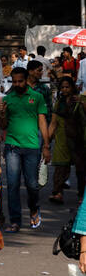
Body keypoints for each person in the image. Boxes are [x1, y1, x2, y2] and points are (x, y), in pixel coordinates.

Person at [0, 64, 51, 231]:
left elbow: (42, 121)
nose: (17, 84)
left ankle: (34, 208)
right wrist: (1, 113)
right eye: (14, 82)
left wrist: (46, 145)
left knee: (32, 185)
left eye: (20, 81)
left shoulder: (36, 97)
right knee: (12, 185)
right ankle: (15, 221)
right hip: (12, 147)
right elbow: (4, 125)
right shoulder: (6, 100)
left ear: (26, 80)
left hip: (32, 147)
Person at [48, 75, 86, 203]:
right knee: (60, 167)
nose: (65, 90)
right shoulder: (59, 103)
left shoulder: (79, 101)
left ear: (72, 87)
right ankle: (57, 193)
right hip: (62, 138)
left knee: (81, 169)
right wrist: (47, 142)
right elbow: (53, 122)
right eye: (62, 87)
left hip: (78, 139)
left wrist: (81, 103)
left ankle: (81, 195)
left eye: (67, 87)